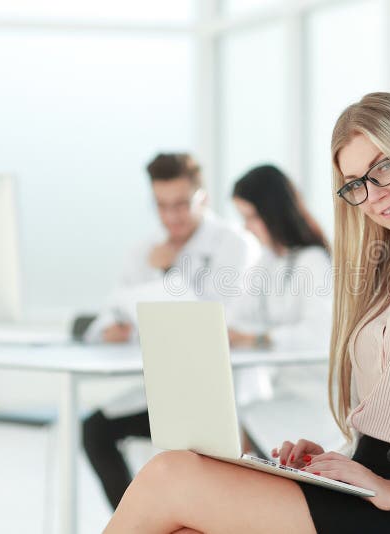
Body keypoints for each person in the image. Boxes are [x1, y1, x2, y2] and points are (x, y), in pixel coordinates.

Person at [103, 92, 390, 534]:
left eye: (383, 168)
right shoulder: (389, 275)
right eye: (357, 184)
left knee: (170, 473)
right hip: (364, 481)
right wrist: (331, 460)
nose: (374, 193)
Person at [82, 152, 259, 510]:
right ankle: (136, 522)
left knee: (192, 461)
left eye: (181, 204)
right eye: (161, 206)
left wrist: (166, 274)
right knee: (94, 430)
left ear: (203, 197)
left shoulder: (233, 245)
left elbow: (209, 323)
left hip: (218, 393)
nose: (171, 217)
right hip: (166, 392)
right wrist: (108, 329)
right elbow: (111, 308)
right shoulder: (145, 250)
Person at [228, 164, 340, 453]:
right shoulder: (268, 262)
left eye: (251, 217)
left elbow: (319, 333)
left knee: (236, 430)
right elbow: (238, 316)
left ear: (272, 213)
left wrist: (255, 340)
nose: (246, 227)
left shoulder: (312, 260)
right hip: (284, 393)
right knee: (230, 425)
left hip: (317, 401)